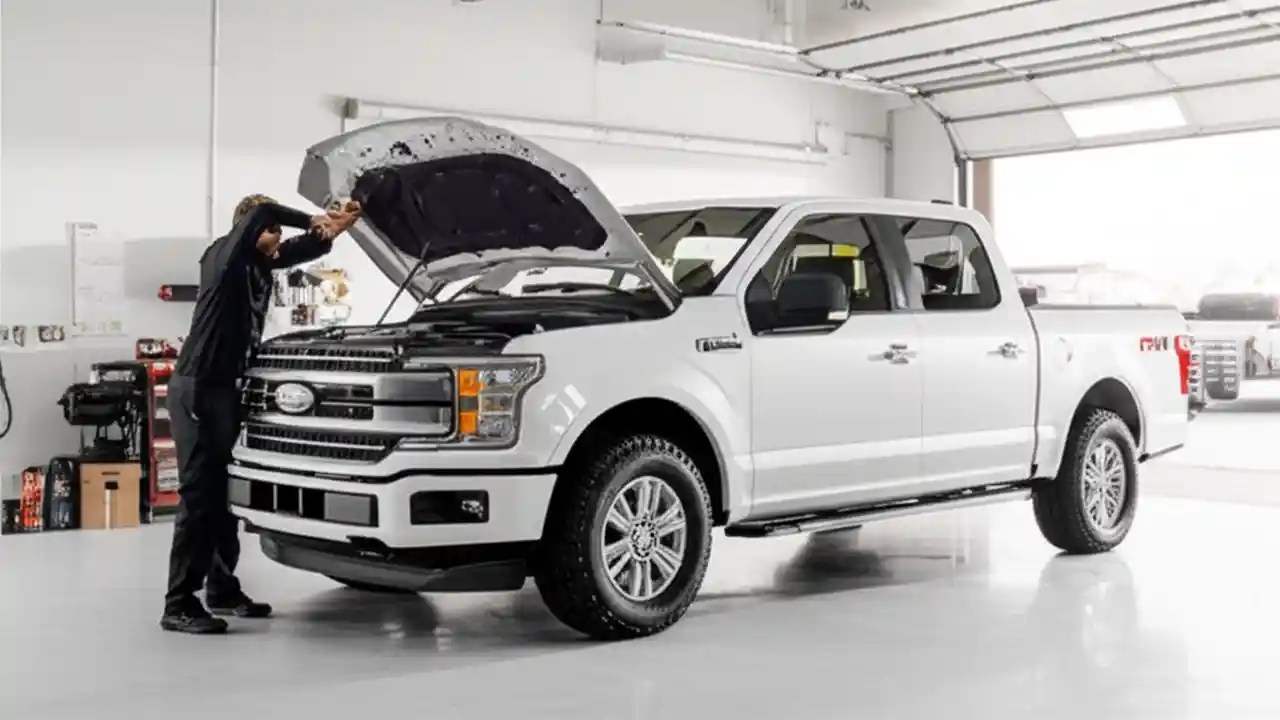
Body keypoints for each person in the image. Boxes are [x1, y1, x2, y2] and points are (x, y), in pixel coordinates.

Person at [160, 193, 361, 634]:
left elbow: (302, 248)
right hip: (198, 390)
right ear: (248, 230)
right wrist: (312, 216)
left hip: (226, 390)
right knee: (199, 496)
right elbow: (264, 214)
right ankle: (179, 604)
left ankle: (221, 589)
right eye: (272, 231)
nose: (278, 237)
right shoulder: (223, 257)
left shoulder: (258, 262)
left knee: (223, 495)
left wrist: (331, 230)